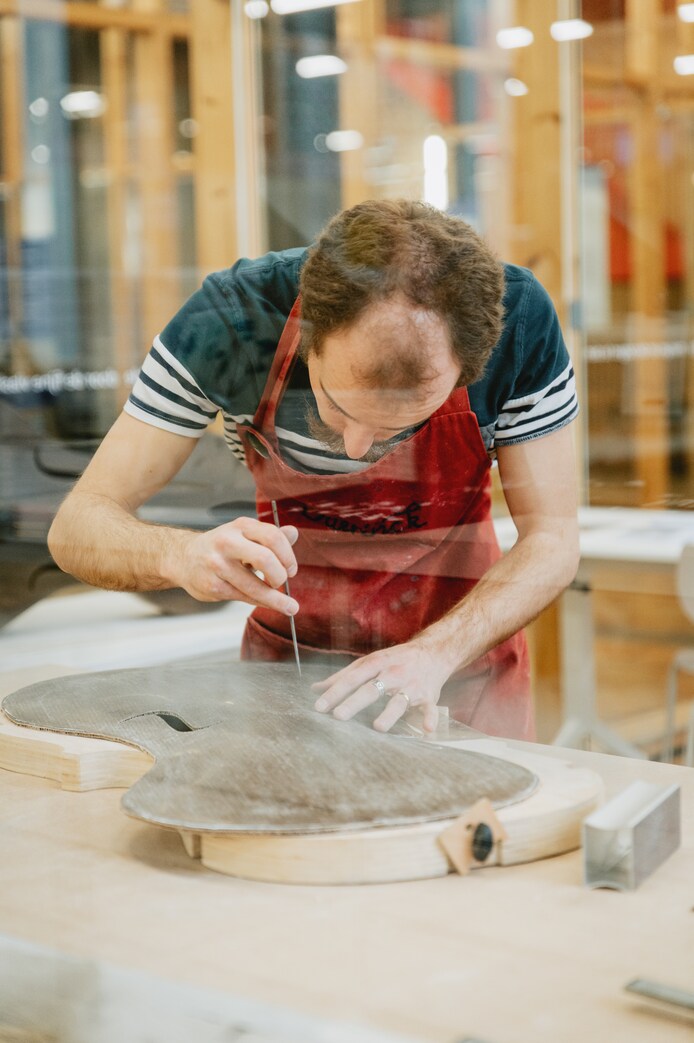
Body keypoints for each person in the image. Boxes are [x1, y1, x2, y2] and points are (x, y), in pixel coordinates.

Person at [48, 199, 579, 740]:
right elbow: (77, 527)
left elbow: (553, 538)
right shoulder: (231, 322)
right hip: (290, 679)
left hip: (458, 676)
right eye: (338, 406)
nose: (356, 450)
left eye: (403, 425)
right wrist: (178, 554)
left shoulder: (519, 326)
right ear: (308, 331)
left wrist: (435, 653)